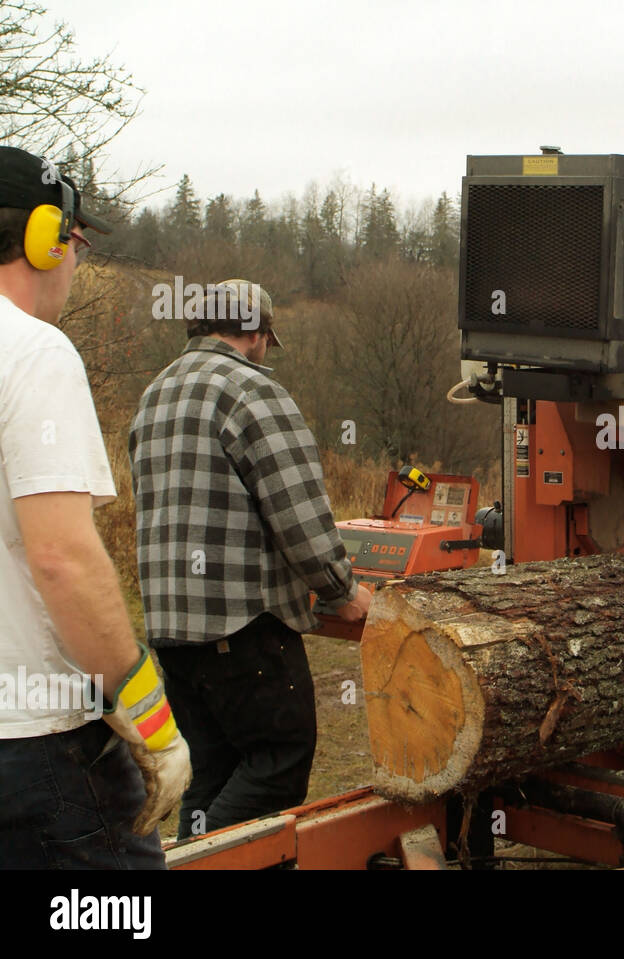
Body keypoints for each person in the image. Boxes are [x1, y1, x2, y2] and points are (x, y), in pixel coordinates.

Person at [0, 146, 190, 869]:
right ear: (45, 239)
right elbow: (62, 558)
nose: (76, 263)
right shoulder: (33, 352)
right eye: (75, 243)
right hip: (38, 755)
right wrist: (154, 720)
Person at [130, 278, 371, 839]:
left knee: (213, 772)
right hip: (242, 625)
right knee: (278, 763)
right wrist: (343, 590)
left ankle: (193, 850)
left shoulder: (155, 394)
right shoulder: (250, 390)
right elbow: (298, 510)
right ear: (257, 333)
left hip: (173, 631)